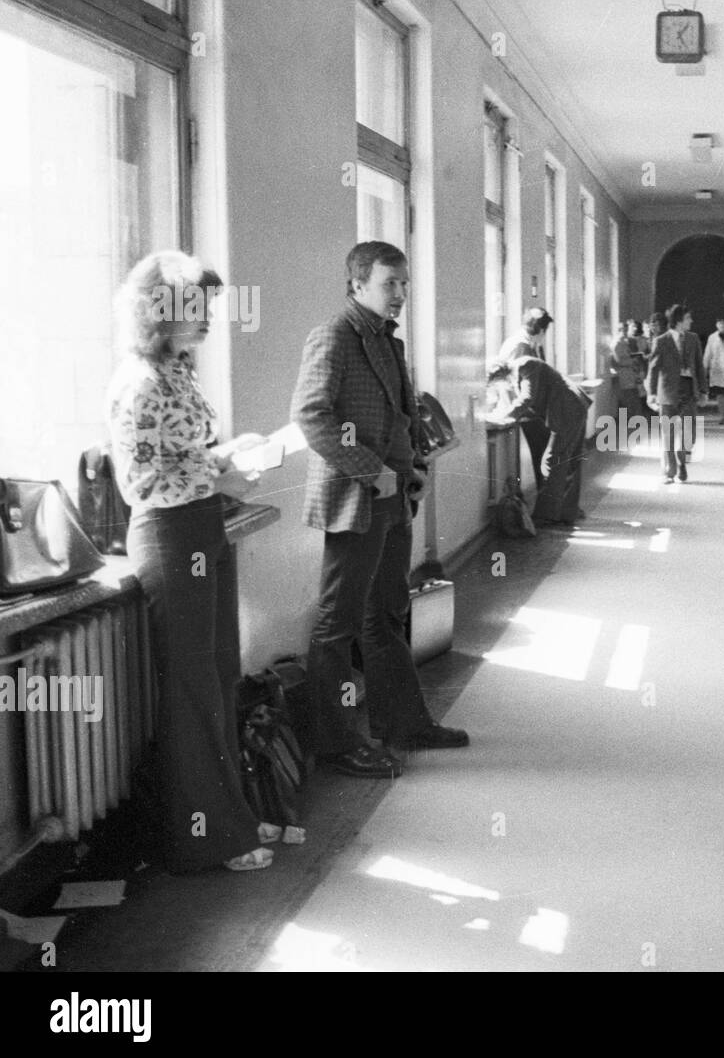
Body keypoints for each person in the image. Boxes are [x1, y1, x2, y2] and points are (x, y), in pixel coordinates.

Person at [107, 252, 274, 872]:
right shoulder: (139, 381)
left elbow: (187, 453)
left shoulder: (178, 372)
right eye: (195, 308)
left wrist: (233, 454)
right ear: (160, 310)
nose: (206, 319)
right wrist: (219, 473)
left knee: (222, 674)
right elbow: (142, 482)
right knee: (193, 688)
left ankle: (231, 816)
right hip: (170, 536)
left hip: (202, 526)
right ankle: (210, 839)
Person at [292, 241, 468, 780]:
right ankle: (336, 743)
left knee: (386, 614)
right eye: (390, 283)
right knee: (337, 624)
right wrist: (372, 469)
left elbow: (400, 415)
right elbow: (311, 416)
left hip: (394, 500)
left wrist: (412, 463)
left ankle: (404, 724)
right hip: (355, 500)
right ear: (358, 283)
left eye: (404, 284)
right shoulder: (334, 337)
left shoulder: (388, 341)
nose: (400, 294)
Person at [486, 355, 591, 526]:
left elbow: (528, 398)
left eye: (496, 383)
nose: (500, 386)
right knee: (569, 462)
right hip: (572, 408)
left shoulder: (525, 366)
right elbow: (537, 398)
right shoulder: (521, 370)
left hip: (567, 410)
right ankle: (567, 512)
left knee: (553, 460)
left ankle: (547, 515)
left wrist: (504, 416)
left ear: (500, 375)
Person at [646, 304, 705, 483]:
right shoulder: (661, 341)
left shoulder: (693, 339)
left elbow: (699, 366)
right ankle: (670, 471)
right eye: (688, 318)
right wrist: (651, 393)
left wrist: (703, 390)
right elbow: (653, 368)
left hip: (688, 389)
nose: (691, 321)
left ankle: (682, 459)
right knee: (668, 433)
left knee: (690, 434)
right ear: (679, 320)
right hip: (668, 392)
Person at [498, 307, 554, 491]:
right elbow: (519, 385)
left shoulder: (520, 343)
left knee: (544, 456)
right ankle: (547, 504)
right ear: (541, 330)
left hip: (525, 410)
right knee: (546, 457)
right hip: (526, 411)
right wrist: (514, 411)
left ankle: (547, 502)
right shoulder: (522, 347)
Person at [610, 321, 646, 423]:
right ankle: (633, 421)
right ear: (620, 330)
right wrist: (633, 360)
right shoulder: (617, 343)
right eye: (624, 330)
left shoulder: (624, 342)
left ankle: (636, 420)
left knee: (634, 397)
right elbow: (619, 361)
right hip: (624, 374)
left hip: (630, 373)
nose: (626, 332)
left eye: (627, 330)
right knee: (629, 398)